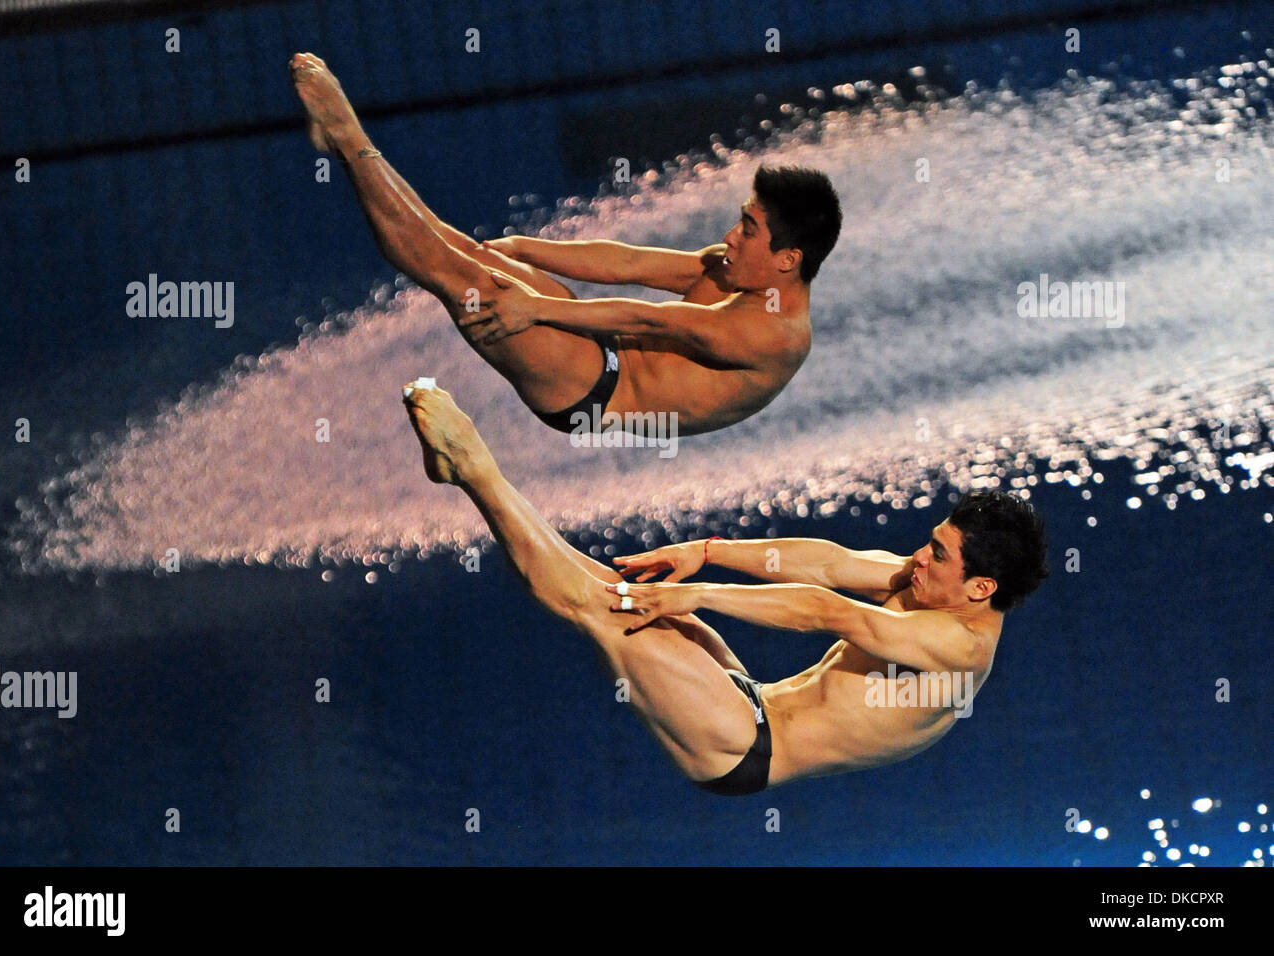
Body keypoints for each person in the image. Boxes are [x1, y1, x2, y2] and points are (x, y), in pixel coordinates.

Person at [402, 381, 1050, 794]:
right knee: (613, 587)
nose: (918, 556)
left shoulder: (959, 650)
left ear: (980, 587)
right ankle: (464, 471)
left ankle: (471, 468)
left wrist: (700, 592)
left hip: (744, 748)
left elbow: (826, 611)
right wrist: (705, 552)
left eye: (938, 553)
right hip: (751, 697)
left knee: (606, 611)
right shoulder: (928, 583)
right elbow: (824, 564)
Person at [291, 52, 841, 435]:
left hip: (590, 391)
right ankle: (345, 145)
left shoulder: (776, 336)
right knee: (473, 254)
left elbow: (656, 323)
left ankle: (348, 135)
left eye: (748, 230)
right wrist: (526, 249)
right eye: (740, 220)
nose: (730, 237)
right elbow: (626, 262)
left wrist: (536, 307)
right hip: (595, 347)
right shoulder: (737, 271)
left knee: (456, 277)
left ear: (788, 259)